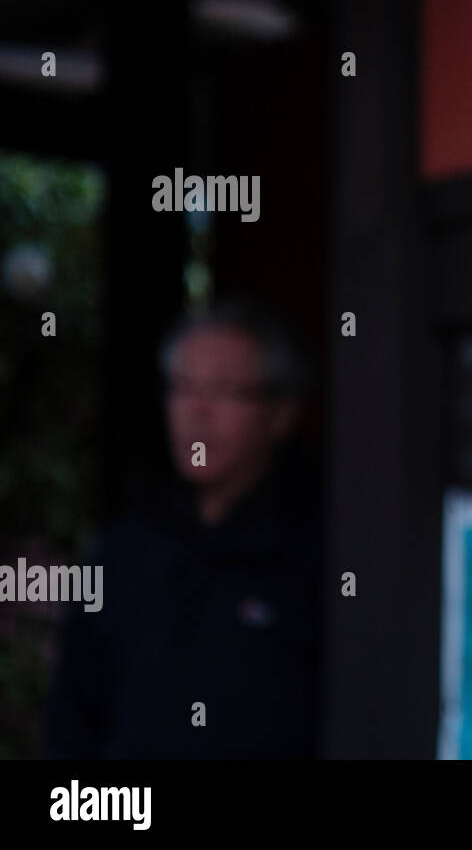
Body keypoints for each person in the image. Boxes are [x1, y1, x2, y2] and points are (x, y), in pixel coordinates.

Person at [44, 299, 324, 758]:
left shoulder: (318, 554)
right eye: (181, 387)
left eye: (225, 390)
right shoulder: (125, 551)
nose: (196, 410)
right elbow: (72, 722)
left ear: (281, 413)